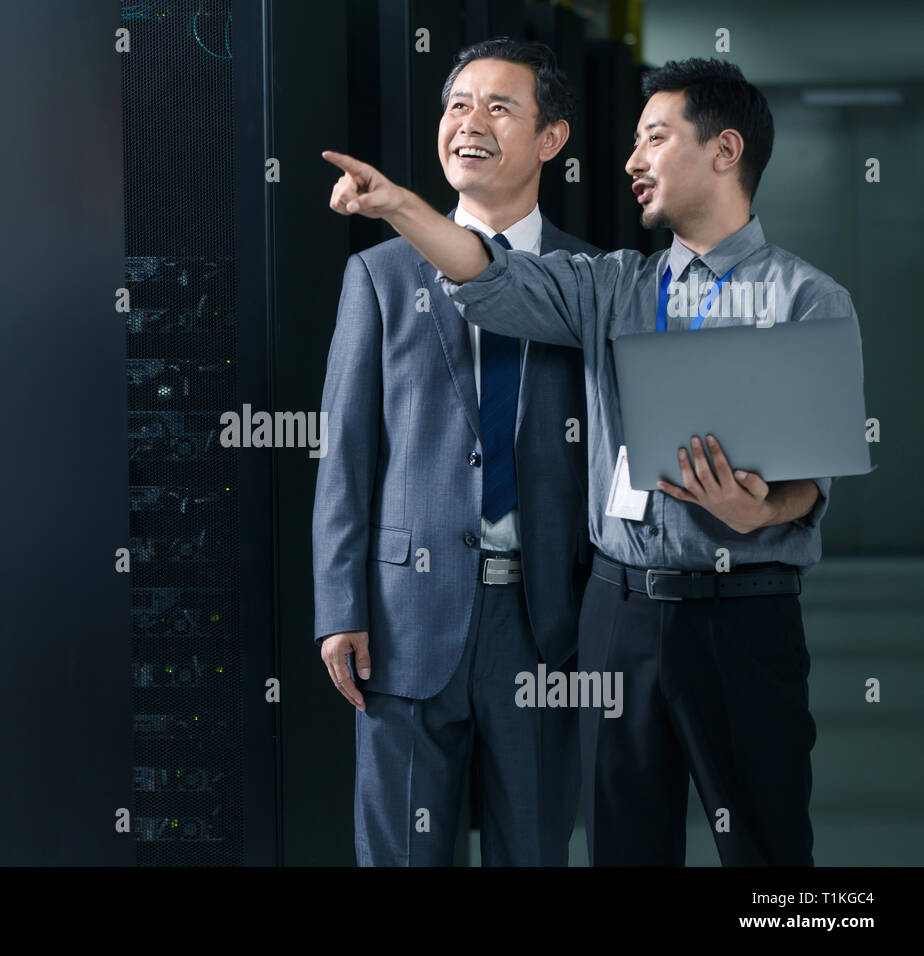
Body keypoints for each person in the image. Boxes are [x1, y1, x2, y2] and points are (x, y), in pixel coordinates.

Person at [323, 57, 860, 866]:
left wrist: (766, 510)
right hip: (620, 610)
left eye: (653, 138)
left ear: (725, 150)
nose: (632, 162)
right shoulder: (613, 285)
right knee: (623, 845)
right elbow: (485, 275)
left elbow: (812, 477)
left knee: (767, 844)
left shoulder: (806, 298)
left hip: (743, 610)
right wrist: (397, 203)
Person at [313, 38, 599, 866]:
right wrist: (340, 607)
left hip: (546, 619)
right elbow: (346, 454)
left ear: (552, 138)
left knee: (535, 847)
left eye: (499, 107)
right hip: (404, 616)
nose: (468, 123)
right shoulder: (379, 273)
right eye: (457, 105)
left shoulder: (593, 279)